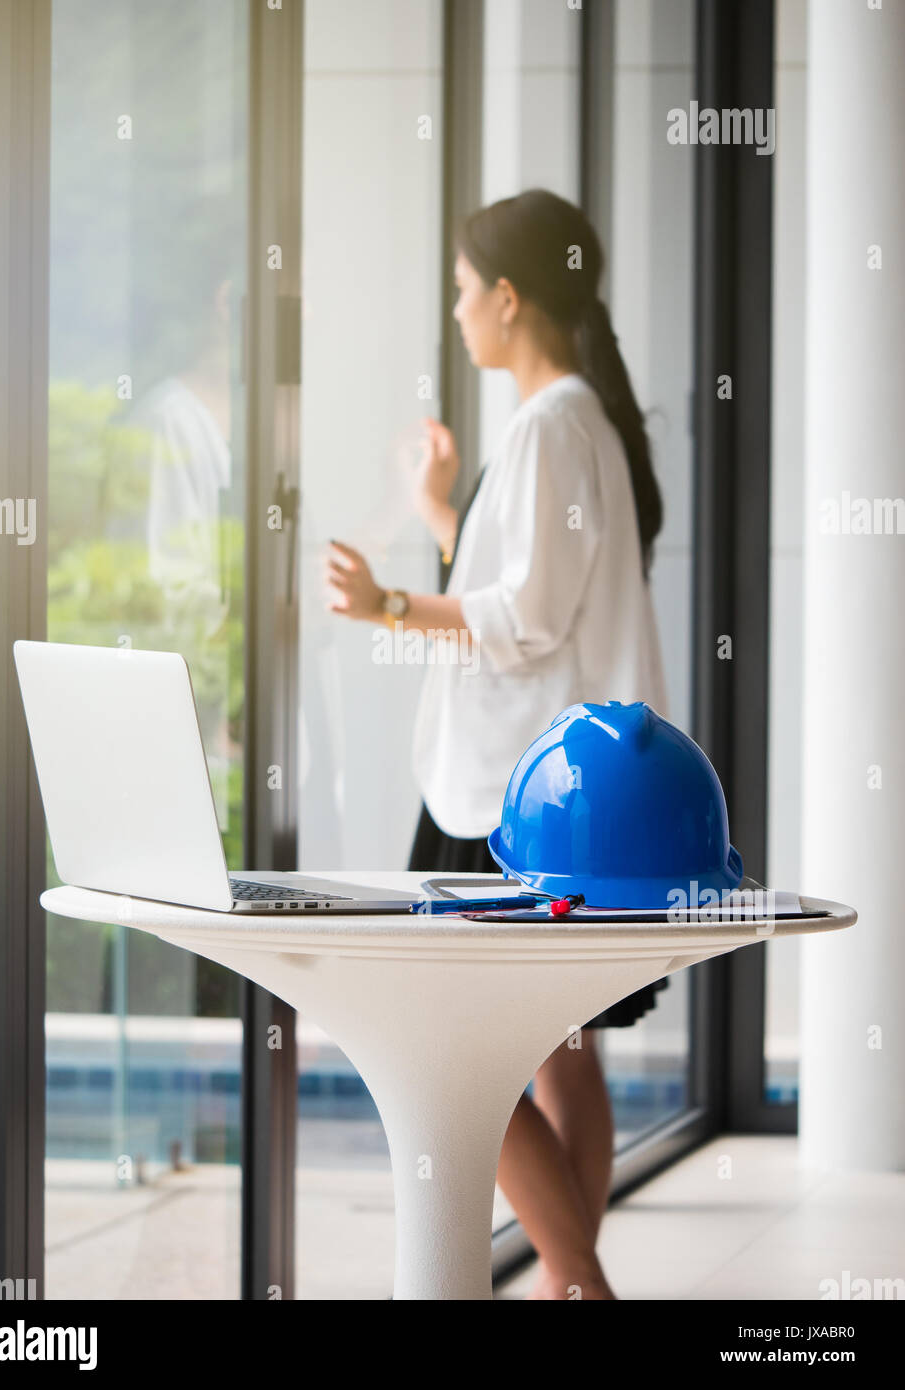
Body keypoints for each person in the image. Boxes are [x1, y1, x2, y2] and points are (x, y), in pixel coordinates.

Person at [324, 188, 668, 1300]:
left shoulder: (551, 426)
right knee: (562, 1053)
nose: (458, 312)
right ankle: (576, 1285)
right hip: (554, 787)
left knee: (464, 1059)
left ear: (508, 300)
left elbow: (518, 621)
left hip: (512, 797)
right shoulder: (574, 423)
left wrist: (386, 606)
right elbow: (527, 587)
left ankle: (584, 1285)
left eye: (465, 292)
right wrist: (438, 512)